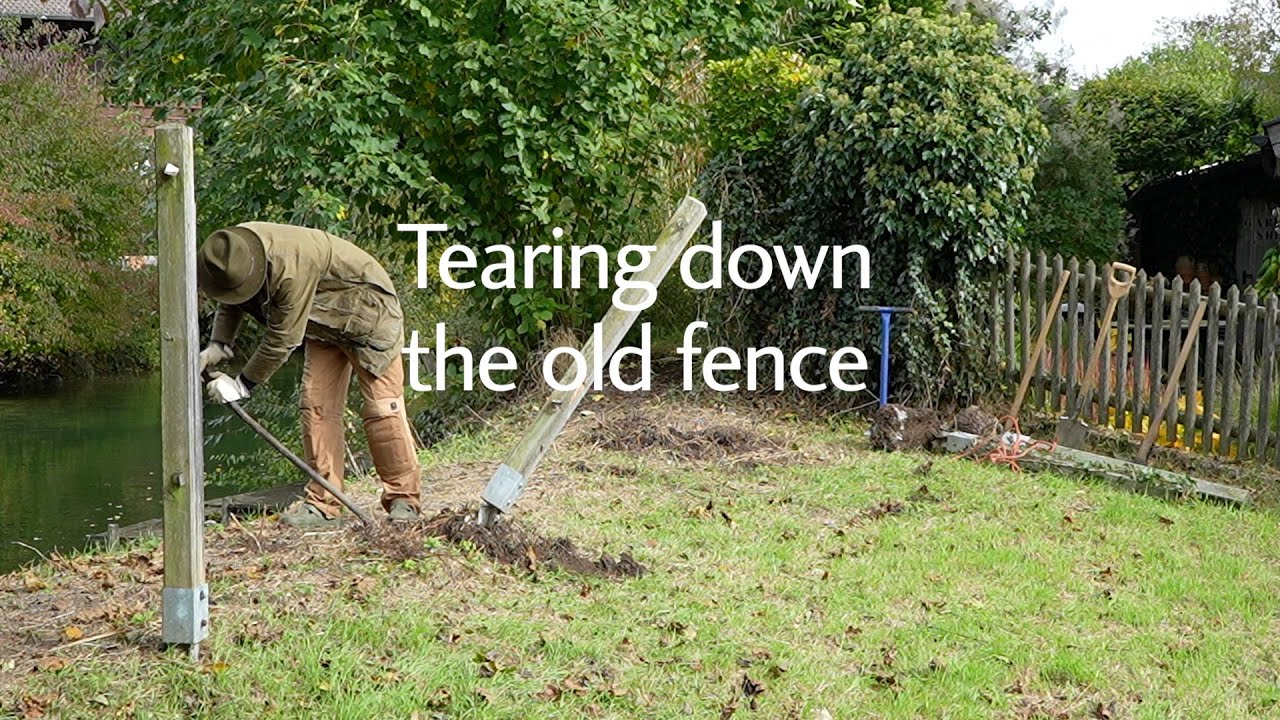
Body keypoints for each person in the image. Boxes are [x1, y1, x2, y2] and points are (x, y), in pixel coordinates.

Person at [196, 222, 422, 527]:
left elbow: (283, 339)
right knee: (316, 408)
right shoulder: (230, 251)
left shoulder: (290, 268)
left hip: (371, 315)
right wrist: (218, 344)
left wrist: (241, 385)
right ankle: (324, 503)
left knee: (383, 409)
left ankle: (404, 501)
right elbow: (233, 297)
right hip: (323, 323)